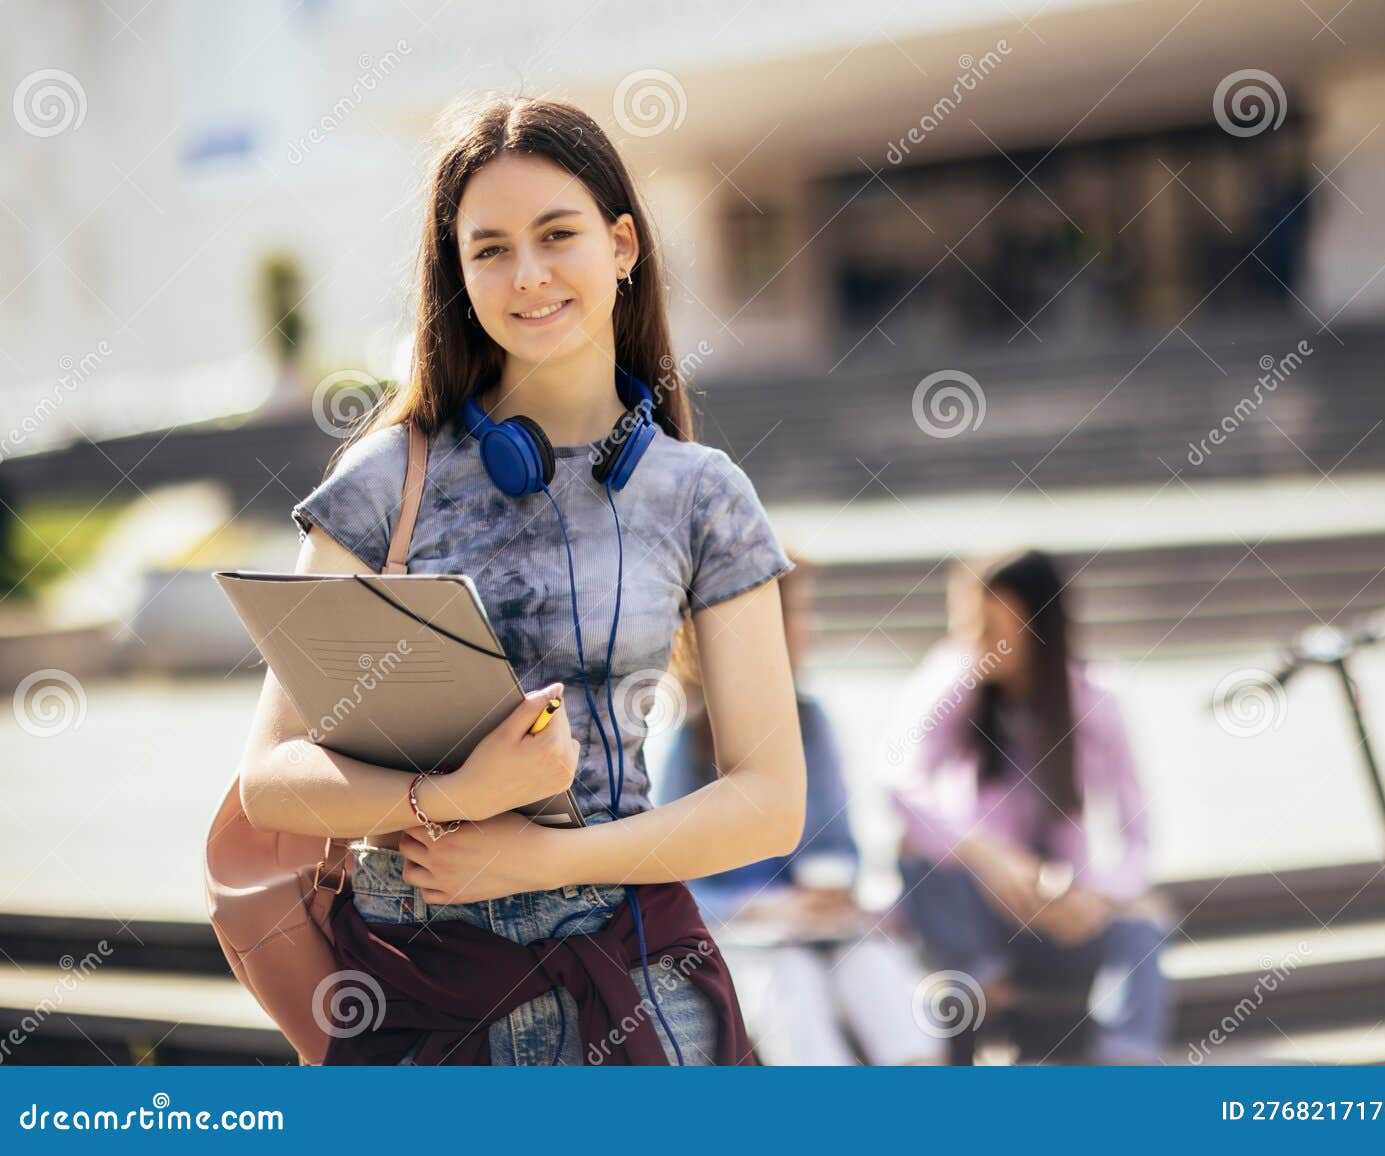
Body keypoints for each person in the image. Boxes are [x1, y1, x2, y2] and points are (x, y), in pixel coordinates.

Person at [233, 94, 806, 1065]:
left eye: (557, 234)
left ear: (622, 245)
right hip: (420, 1010)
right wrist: (448, 793)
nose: (527, 274)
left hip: (639, 995)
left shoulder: (703, 494)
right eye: (489, 247)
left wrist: (547, 856)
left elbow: (769, 799)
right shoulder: (381, 482)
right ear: (456, 273)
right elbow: (270, 778)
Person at [883, 548, 1174, 1064]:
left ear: (1037, 627)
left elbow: (1139, 837)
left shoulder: (1094, 699)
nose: (977, 640)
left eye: (993, 626)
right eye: (969, 621)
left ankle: (1127, 1070)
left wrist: (1099, 896)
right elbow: (900, 783)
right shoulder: (957, 681)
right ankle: (986, 980)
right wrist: (991, 858)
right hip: (978, 909)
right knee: (917, 855)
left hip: (1060, 909)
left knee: (1144, 923)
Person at [656, 555, 941, 1065]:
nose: (805, 629)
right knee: (794, 994)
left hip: (821, 929)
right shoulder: (691, 741)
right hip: (744, 940)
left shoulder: (812, 723)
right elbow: (674, 886)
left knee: (883, 981)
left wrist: (830, 893)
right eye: (792, 615)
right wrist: (765, 908)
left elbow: (840, 848)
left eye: (804, 613)